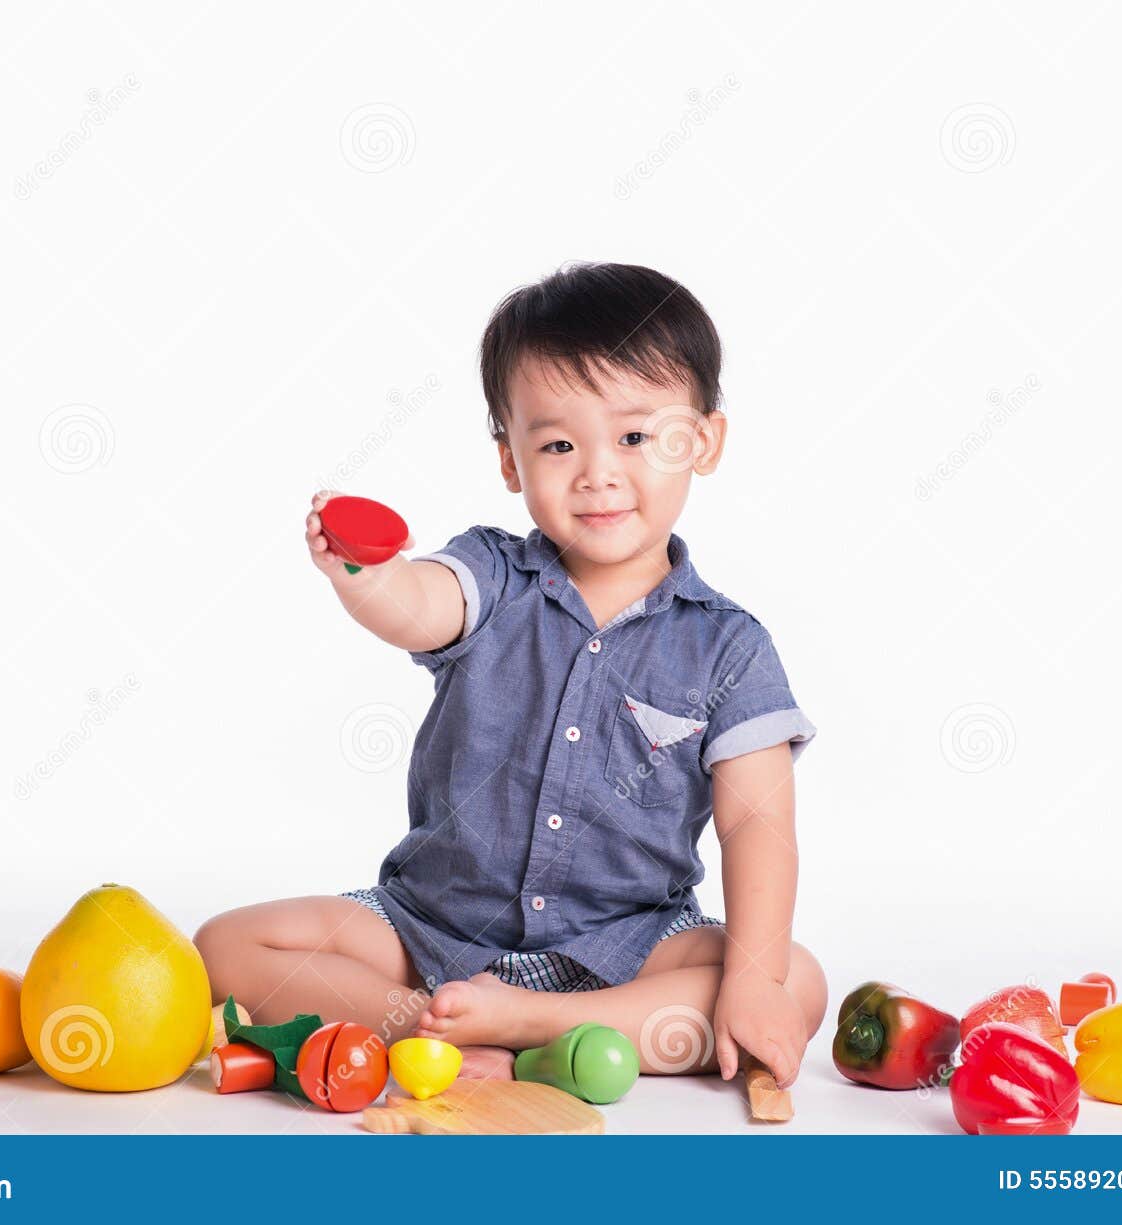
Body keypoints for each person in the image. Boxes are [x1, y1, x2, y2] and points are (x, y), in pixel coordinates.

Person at [196, 262, 824, 1088]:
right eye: (558, 443)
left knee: (795, 978)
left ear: (703, 440)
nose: (596, 472)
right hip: (431, 928)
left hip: (627, 943)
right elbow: (421, 604)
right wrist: (369, 574)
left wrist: (750, 980)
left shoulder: (729, 647)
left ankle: (538, 1024)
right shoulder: (493, 575)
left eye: (635, 437)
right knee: (226, 945)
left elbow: (758, 826)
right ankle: (436, 1027)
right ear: (509, 460)